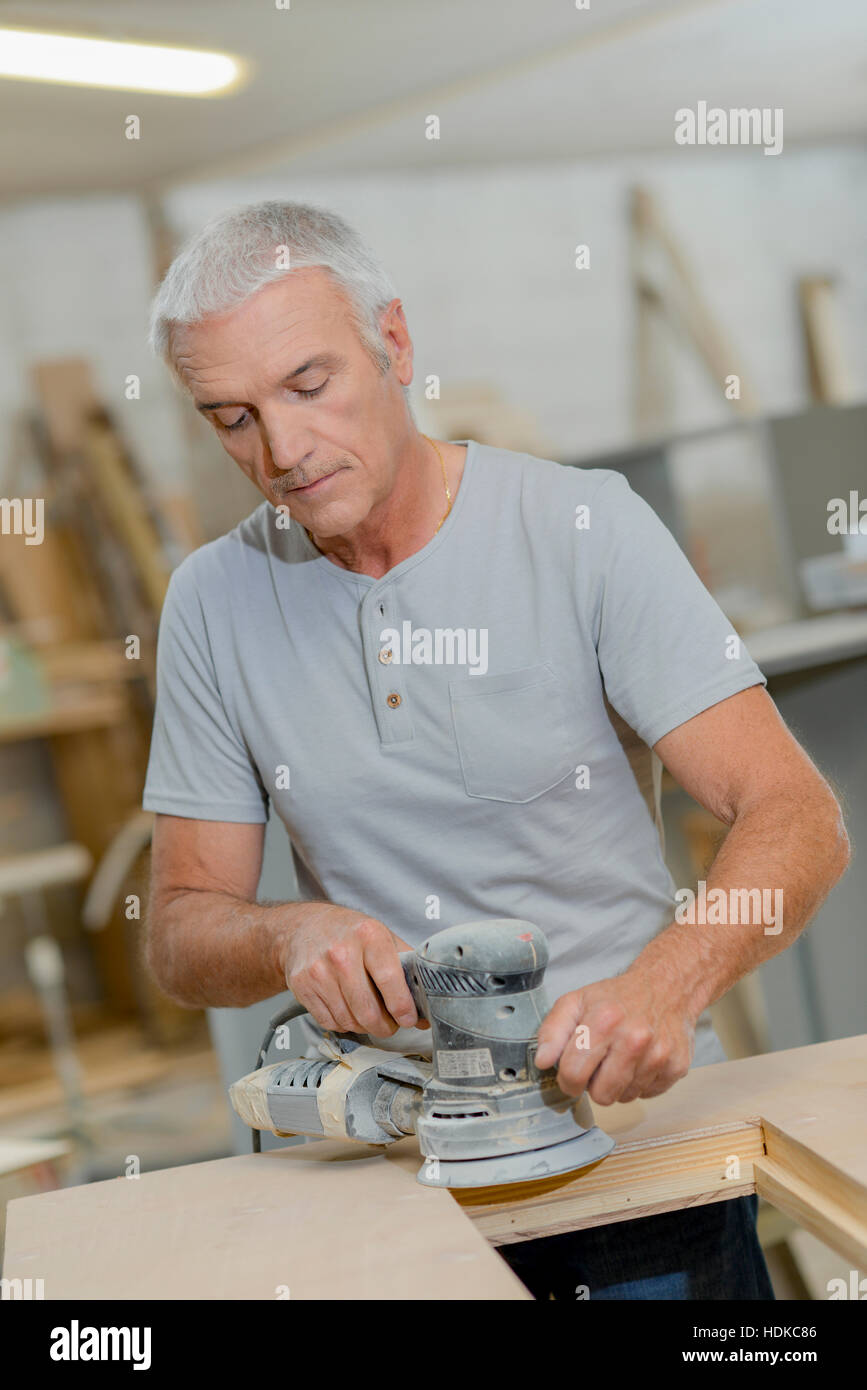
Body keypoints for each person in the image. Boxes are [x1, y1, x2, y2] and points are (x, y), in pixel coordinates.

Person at [142, 201, 849, 1299]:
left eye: (307, 386)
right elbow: (180, 932)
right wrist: (288, 936)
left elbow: (797, 817)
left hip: (629, 1155)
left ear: (396, 344)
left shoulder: (583, 529)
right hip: (399, 1180)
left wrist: (667, 982)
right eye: (231, 418)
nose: (279, 452)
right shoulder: (208, 604)